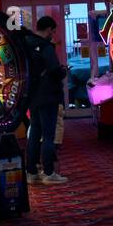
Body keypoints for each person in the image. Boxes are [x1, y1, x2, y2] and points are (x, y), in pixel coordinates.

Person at [22, 16, 68, 184]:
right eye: (53, 31)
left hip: (32, 94)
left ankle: (31, 171)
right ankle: (49, 173)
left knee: (34, 133)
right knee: (48, 135)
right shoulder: (46, 47)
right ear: (48, 29)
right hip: (48, 94)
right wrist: (63, 72)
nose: (53, 34)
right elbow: (54, 70)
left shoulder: (26, 44)